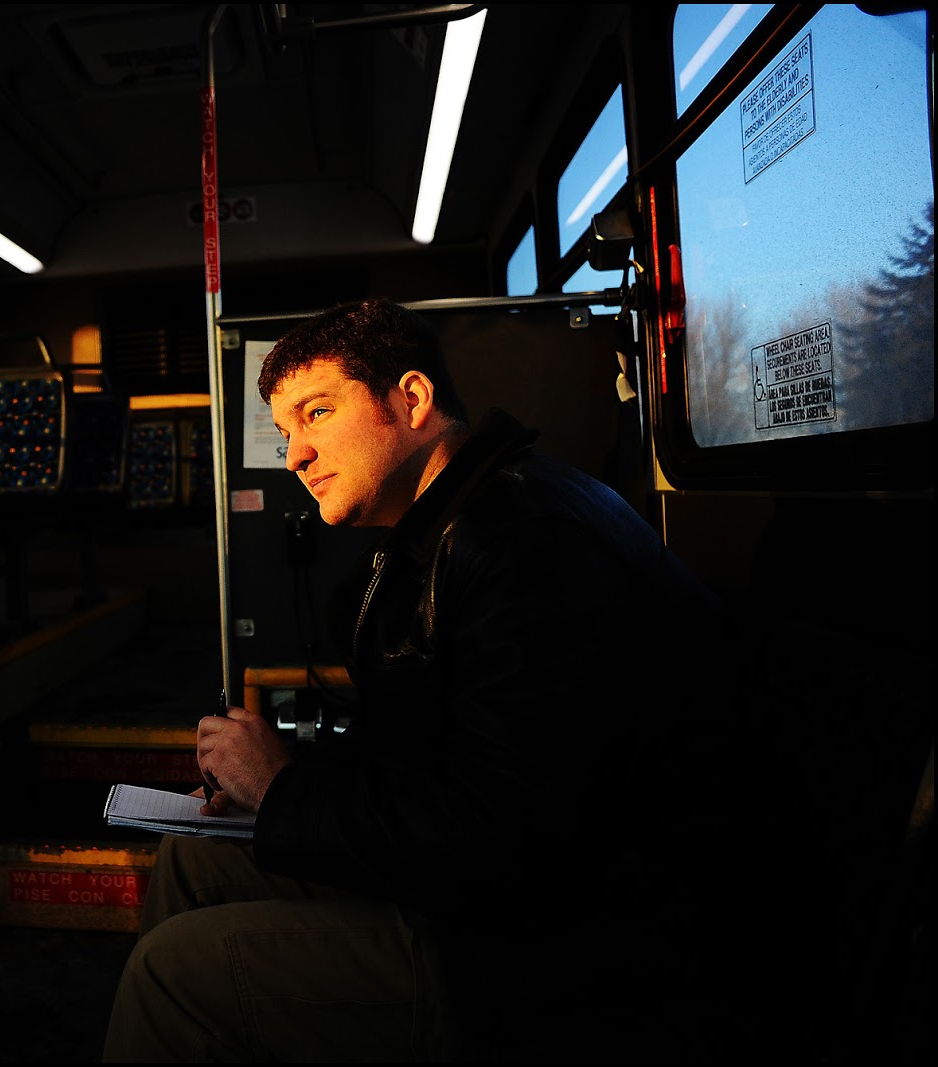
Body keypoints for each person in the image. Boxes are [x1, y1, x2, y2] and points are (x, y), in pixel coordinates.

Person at [102, 299, 795, 1062]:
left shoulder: (524, 544)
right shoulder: (445, 531)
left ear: (411, 399)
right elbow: (432, 756)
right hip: (506, 893)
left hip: (581, 943)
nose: (294, 455)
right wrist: (284, 779)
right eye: (285, 430)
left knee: (173, 974)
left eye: (317, 412)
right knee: (194, 855)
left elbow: (508, 835)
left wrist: (286, 790)